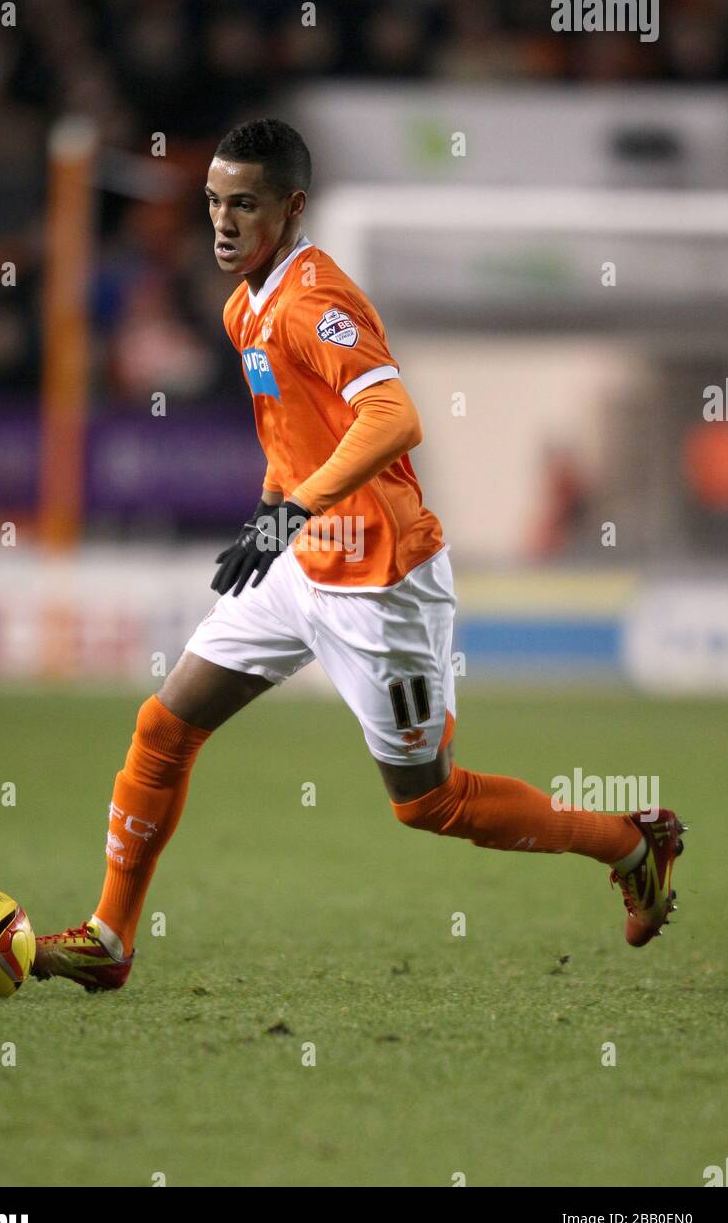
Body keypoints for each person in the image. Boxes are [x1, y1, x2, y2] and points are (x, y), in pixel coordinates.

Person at [33, 119, 683, 991]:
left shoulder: (314, 302)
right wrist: (274, 514)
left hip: (385, 585)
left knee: (430, 803)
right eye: (215, 204)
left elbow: (393, 418)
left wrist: (291, 508)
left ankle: (630, 843)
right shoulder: (243, 306)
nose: (223, 224)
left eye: (245, 206)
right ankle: (110, 941)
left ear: (293, 208)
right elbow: (294, 436)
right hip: (298, 562)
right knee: (164, 727)